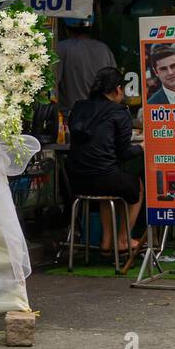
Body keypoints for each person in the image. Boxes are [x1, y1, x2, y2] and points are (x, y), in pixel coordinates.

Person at [66, 67, 144, 254]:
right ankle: (124, 239)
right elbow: (123, 153)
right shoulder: (119, 112)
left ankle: (106, 242)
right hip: (104, 178)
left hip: (76, 181)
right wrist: (141, 147)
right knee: (137, 186)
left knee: (109, 183)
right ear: (118, 89)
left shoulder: (79, 107)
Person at [55, 17, 116, 115]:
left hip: (71, 117)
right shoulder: (104, 49)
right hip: (100, 116)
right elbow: (114, 86)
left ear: (66, 28)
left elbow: (52, 84)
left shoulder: (61, 48)